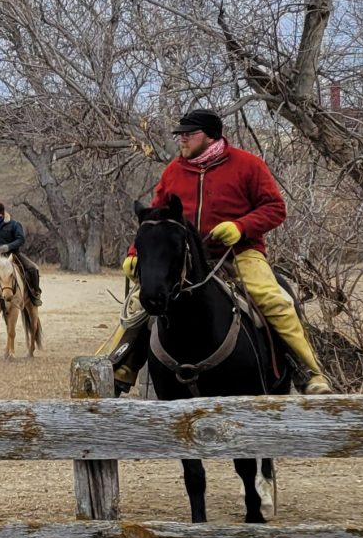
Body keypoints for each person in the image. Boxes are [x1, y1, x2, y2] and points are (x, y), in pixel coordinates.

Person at [101, 108, 333, 395]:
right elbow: (155, 219)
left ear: (210, 136)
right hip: (185, 257)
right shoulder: (174, 170)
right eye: (180, 135)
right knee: (140, 302)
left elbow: (275, 209)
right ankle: (120, 367)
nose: (182, 140)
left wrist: (241, 226)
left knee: (275, 301)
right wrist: (135, 252)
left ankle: (309, 373)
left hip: (240, 252)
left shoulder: (248, 165)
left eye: (189, 134)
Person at [0, 202, 41, 309]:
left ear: (0, 212)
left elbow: (21, 239)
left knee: (33, 268)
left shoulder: (14, 224)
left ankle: (35, 294)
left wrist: (8, 246)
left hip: (13, 254)